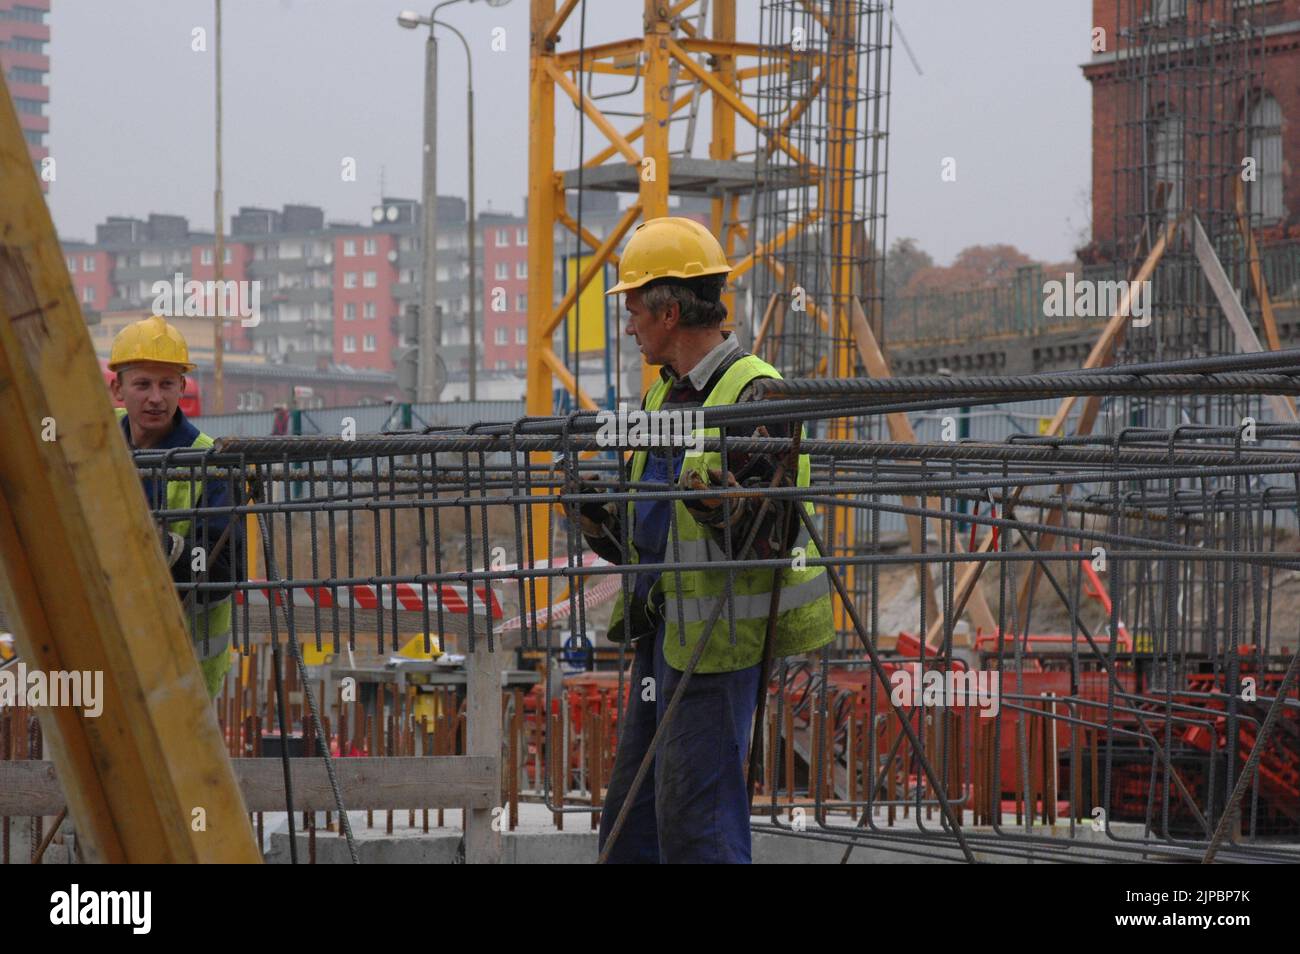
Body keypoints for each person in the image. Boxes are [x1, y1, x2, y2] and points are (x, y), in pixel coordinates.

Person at [567, 217, 834, 863]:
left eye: (632, 310)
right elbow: (654, 533)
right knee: (634, 825)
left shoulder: (757, 392)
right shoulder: (663, 395)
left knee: (698, 825)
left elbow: (768, 533)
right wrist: (601, 520)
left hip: (720, 643)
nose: (627, 326)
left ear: (667, 310)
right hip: (666, 636)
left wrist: (719, 503)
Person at [107, 315, 243, 699]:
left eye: (167, 384)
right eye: (143, 384)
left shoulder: (210, 463)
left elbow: (224, 571)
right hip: (106, 657)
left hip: (183, 675)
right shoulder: (95, 438)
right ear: (118, 389)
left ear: (182, 386)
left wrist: (162, 546)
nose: (156, 397)